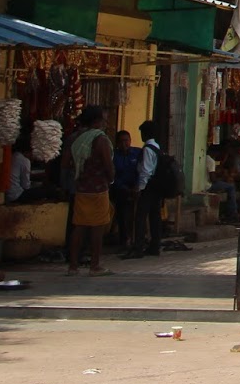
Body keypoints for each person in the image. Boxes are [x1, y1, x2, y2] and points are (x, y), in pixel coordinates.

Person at [65, 106, 115, 276]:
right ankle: (95, 265)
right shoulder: (100, 139)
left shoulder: (75, 138)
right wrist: (111, 178)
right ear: (96, 121)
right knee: (97, 228)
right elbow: (108, 165)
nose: (105, 122)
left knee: (78, 227)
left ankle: (73, 266)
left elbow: (66, 163)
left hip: (81, 188)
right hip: (98, 189)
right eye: (103, 119)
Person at [124, 119, 165, 258]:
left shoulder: (147, 149)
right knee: (155, 217)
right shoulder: (157, 147)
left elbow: (145, 171)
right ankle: (155, 246)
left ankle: (139, 247)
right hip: (157, 186)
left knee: (141, 217)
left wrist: (139, 188)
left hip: (148, 187)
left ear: (145, 133)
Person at [110, 129, 141, 250]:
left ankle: (138, 237)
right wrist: (124, 188)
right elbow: (113, 176)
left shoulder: (137, 153)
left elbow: (141, 171)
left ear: (130, 141)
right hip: (120, 189)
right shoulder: (114, 156)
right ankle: (125, 238)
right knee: (123, 207)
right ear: (117, 143)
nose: (124, 144)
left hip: (135, 187)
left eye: (126, 141)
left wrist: (136, 186)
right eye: (121, 141)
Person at [205, 145, 239, 222]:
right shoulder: (210, 161)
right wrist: (223, 179)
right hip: (208, 185)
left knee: (228, 186)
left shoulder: (205, 158)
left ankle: (230, 212)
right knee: (231, 187)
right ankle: (232, 213)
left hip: (205, 183)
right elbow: (213, 179)